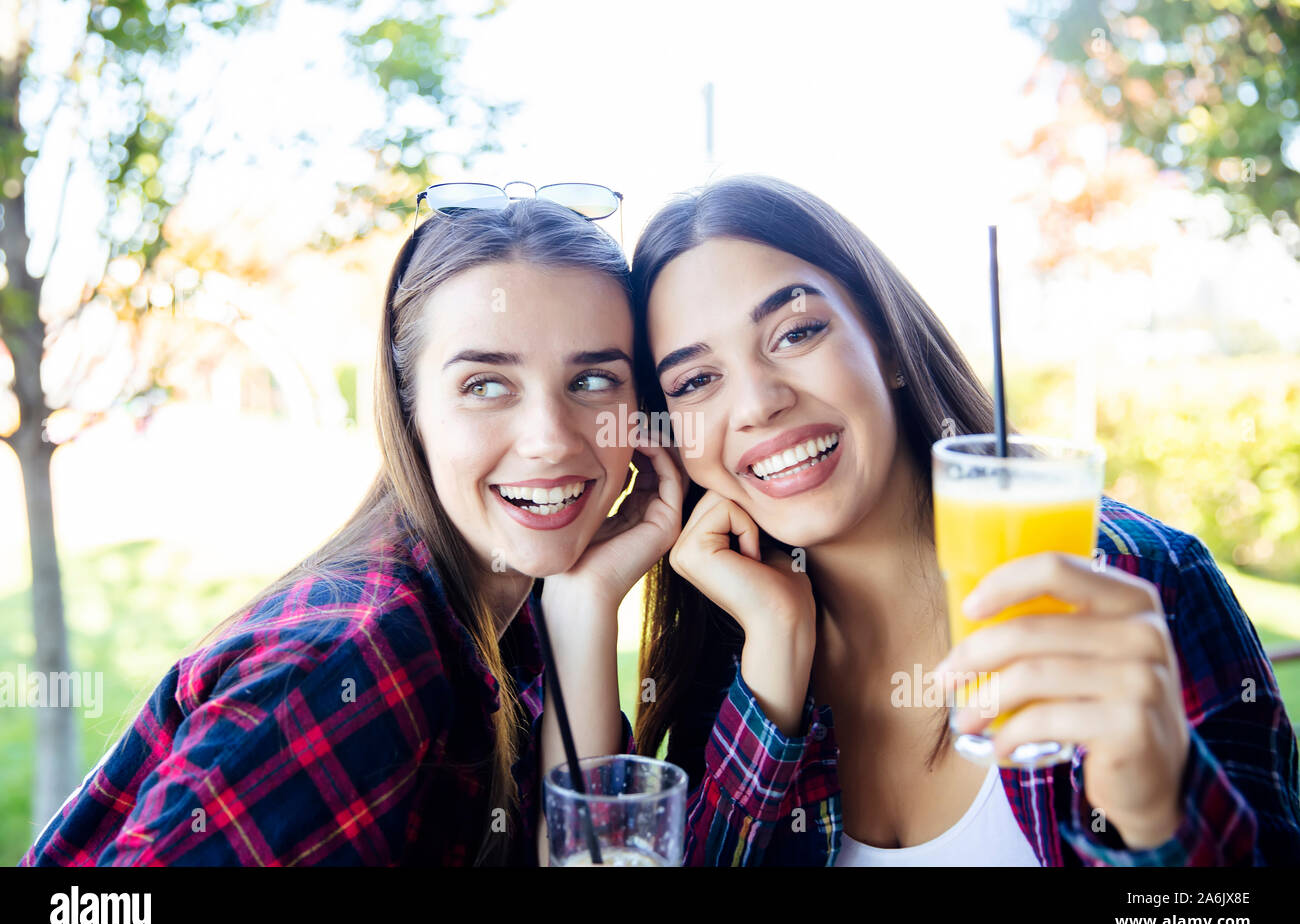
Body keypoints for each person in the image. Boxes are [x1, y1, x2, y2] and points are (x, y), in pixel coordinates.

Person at [626, 174, 1300, 866]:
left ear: (885, 341)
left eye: (796, 332)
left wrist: (1162, 812)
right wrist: (775, 641)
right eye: (695, 382)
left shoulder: (1140, 578)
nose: (757, 404)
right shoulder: (728, 652)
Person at [20, 196, 682, 866]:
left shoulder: (511, 609)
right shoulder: (352, 660)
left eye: (594, 379)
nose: (549, 439)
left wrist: (585, 606)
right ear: (409, 407)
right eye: (485, 385)